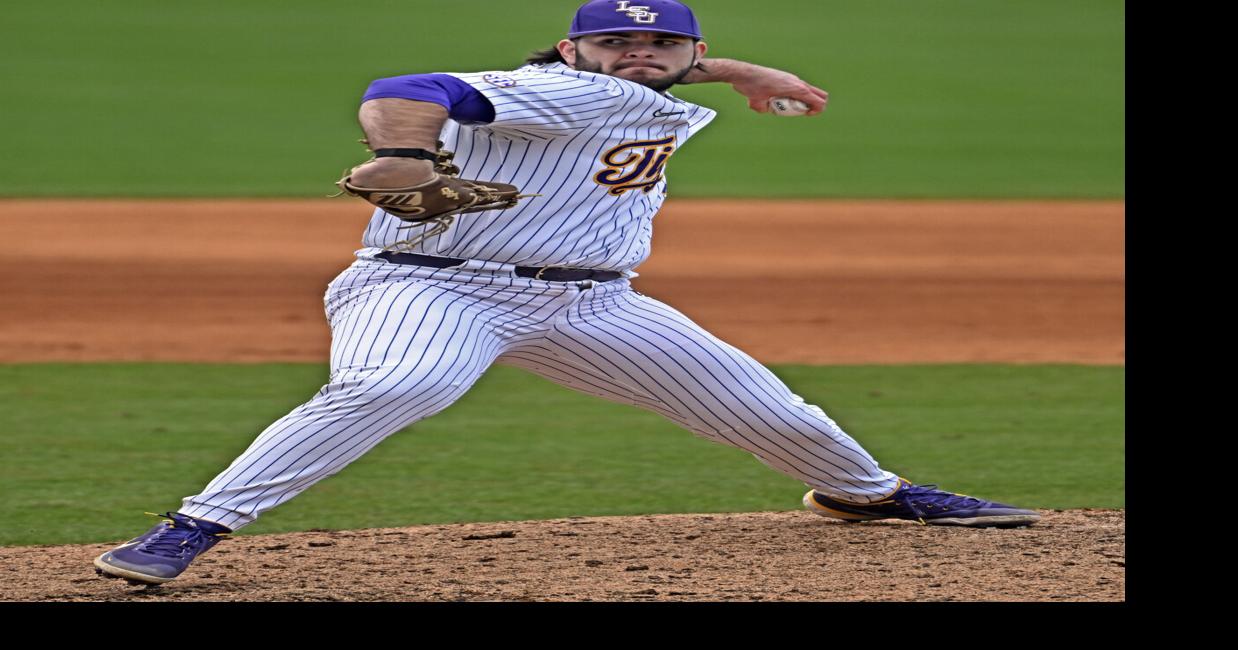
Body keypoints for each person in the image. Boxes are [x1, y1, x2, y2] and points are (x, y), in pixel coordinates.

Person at [94, 0, 1039, 587]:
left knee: (760, 401)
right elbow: (404, 84)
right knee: (395, 388)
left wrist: (747, 73)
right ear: (571, 50)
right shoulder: (563, 92)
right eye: (617, 41)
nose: (641, 53)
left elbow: (660, 70)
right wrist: (405, 155)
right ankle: (192, 528)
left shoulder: (637, 82)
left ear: (691, 47)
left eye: (660, 41)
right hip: (434, 291)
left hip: (591, 305)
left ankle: (867, 497)